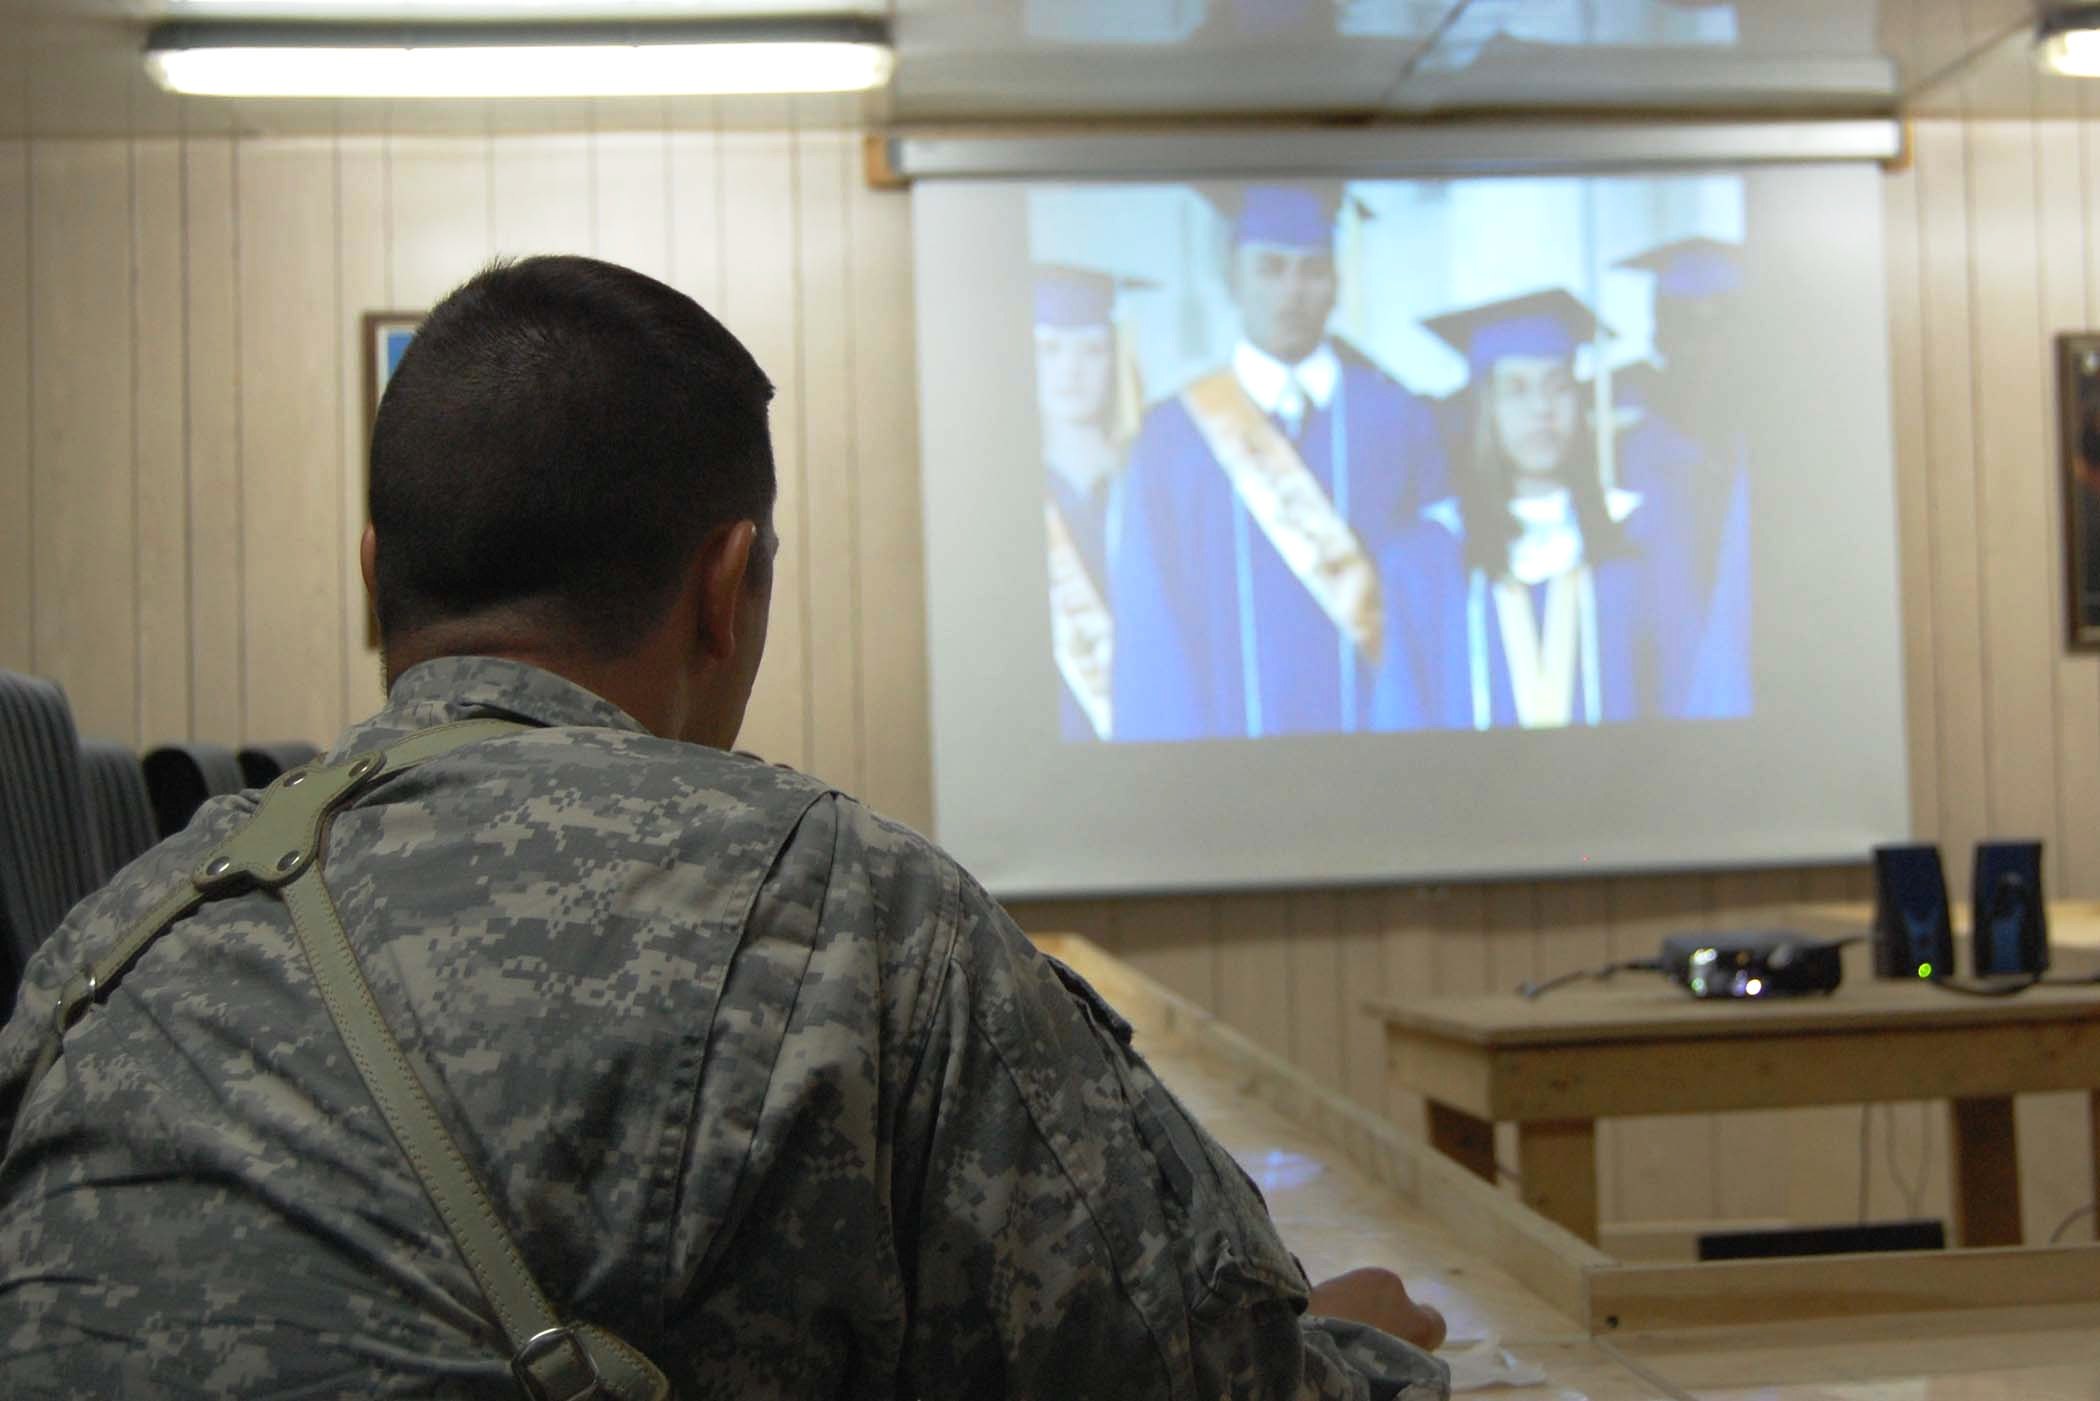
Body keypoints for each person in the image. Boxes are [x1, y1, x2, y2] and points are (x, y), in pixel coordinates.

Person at [0, 255, 1449, 1398]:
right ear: (726, 586)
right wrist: (1356, 1355)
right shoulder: (854, 920)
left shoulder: (104, 951)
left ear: (375, 574)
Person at [1113, 183, 1448, 742]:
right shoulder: (1172, 440)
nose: (1292, 292)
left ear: (1337, 282)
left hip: (1383, 754)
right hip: (1224, 762)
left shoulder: (1397, 420)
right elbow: (1153, 630)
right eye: (1270, 268)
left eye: (1312, 270)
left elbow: (1432, 605)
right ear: (1232, 278)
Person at [1373, 288, 1717, 731]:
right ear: (1484, 407)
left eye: (1559, 387)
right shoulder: (1425, 559)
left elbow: (1688, 695)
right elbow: (1402, 719)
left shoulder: (1639, 541)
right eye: (1516, 390)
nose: (1541, 409)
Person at [1613, 236, 1753, 718]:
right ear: (1659, 334)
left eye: (1719, 325)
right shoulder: (1621, 427)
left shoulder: (1762, 432)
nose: (1702, 345)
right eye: (1685, 325)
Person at [1033, 263, 1143, 742]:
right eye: (1050, 349)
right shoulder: (1011, 488)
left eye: (1092, 350)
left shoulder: (1147, 477)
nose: (1070, 371)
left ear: (1116, 360)